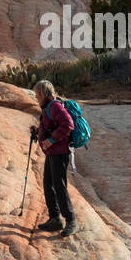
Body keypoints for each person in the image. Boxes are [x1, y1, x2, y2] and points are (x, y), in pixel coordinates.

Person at [31, 79, 77, 236]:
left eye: (37, 94)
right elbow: (51, 126)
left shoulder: (54, 106)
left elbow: (68, 124)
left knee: (59, 186)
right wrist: (37, 131)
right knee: (48, 184)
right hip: (52, 152)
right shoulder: (47, 108)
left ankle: (71, 220)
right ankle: (55, 219)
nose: (35, 97)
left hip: (59, 152)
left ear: (43, 93)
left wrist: (50, 140)